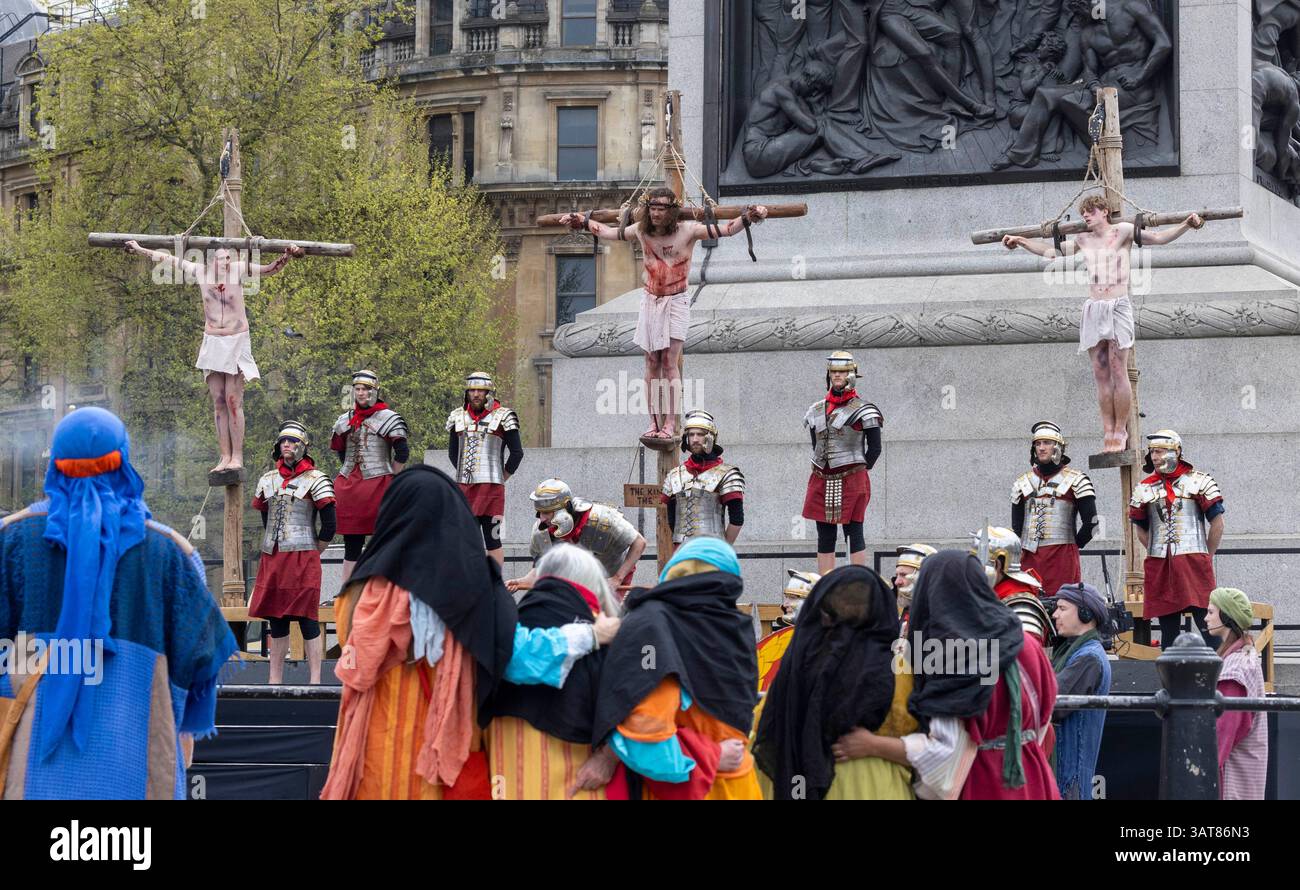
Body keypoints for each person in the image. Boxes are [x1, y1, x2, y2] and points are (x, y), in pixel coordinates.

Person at [0, 408, 237, 799]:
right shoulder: (171, 552)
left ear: (55, 464)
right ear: (125, 462)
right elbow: (201, 661)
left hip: (30, 777)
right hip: (137, 771)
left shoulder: (11, 541)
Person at [833, 550, 1060, 800]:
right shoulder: (1025, 642)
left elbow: (943, 753)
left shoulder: (953, 654)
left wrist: (872, 745)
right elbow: (1044, 721)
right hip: (1034, 778)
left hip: (983, 782)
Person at [557, 190, 768, 439]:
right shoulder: (641, 230)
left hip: (677, 300)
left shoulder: (688, 230)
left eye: (662, 209)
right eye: (653, 208)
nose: (656, 214)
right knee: (651, 362)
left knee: (669, 362)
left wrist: (750, 216)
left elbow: (726, 230)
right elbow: (608, 233)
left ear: (672, 211)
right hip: (650, 300)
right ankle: (653, 422)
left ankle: (670, 422)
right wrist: (582, 221)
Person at [1002, 196, 1203, 452]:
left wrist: (1187, 225)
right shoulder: (1083, 240)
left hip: (1117, 304)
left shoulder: (1123, 232)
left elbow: (1160, 238)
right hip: (1094, 307)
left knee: (1119, 370)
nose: (1086, 216)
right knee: (1100, 373)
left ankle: (1120, 430)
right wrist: (1021, 242)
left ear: (1104, 211)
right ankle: (1107, 430)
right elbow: (1050, 252)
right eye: (1083, 212)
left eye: (1091, 211)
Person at [591, 538, 761, 799]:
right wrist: (713, 756)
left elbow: (646, 738)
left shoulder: (652, 622)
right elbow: (647, 735)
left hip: (686, 786)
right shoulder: (735, 626)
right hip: (732, 784)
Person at [124, 239, 304, 472]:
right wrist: (139, 249)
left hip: (237, 339)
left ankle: (237, 456)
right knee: (219, 402)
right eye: (222, 258)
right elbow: (167, 259)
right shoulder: (199, 271)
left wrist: (286, 257)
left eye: (229, 257)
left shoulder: (238, 269)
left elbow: (269, 270)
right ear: (211, 261)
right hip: (213, 341)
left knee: (233, 400)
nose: (227, 262)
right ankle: (224, 456)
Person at [754, 566, 915, 800]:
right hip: (873, 786)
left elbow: (763, 727)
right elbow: (923, 742)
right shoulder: (897, 670)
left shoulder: (796, 666)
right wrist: (875, 744)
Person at [483, 544, 624, 800]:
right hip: (580, 781)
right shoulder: (607, 632)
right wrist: (609, 757)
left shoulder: (507, 626)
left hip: (504, 773)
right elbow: (633, 709)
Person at [249, 421, 335, 685]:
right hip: (274, 557)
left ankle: (315, 681)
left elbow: (330, 523)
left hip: (303, 557)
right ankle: (274, 681)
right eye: (283, 441)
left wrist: (314, 550)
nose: (286, 445)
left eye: (292, 441)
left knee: (307, 618)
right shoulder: (267, 479)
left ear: (302, 446)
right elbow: (266, 517)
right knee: (277, 619)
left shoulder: (316, 479)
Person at [1128, 430, 1224, 649]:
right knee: (1168, 632)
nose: (1154, 456)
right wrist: (1157, 547)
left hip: (1193, 561)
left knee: (1208, 624)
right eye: (1152, 452)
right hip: (1160, 564)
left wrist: (1206, 556)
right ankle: (1171, 679)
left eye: (1160, 451)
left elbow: (1217, 523)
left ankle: (1221, 676)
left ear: (1176, 451)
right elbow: (1141, 529)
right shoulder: (1144, 488)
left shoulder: (1199, 481)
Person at [802, 351, 883, 574]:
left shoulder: (865, 410)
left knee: (853, 530)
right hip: (821, 477)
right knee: (825, 534)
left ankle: (858, 581)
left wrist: (857, 470)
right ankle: (825, 582)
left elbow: (875, 449)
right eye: (834, 372)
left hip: (852, 478)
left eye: (842, 372)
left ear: (852, 374)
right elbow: (816, 445)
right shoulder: (816, 409)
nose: (837, 376)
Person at [331, 370, 409, 589]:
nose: (361, 393)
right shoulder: (344, 419)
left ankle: (382, 588)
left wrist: (391, 476)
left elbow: (402, 452)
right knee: (351, 543)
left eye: (365, 389)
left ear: (375, 391)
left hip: (378, 486)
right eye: (357, 389)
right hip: (348, 487)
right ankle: (348, 590)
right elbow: (341, 451)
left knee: (382, 539)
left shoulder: (388, 417)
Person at [509, 479, 645, 596]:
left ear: (565, 508)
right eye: (539, 512)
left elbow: (639, 542)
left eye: (547, 512)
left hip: (610, 581)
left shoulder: (602, 519)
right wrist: (522, 581)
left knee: (602, 622)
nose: (542, 518)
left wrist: (617, 579)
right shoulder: (542, 532)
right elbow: (540, 569)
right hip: (575, 585)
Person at [446, 371, 524, 568]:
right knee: (467, 539)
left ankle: (495, 583)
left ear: (489, 392)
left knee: (493, 540)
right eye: (472, 390)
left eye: (480, 390)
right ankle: (471, 582)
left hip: (492, 491)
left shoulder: (504, 416)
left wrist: (501, 476)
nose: (476, 394)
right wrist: (466, 474)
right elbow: (453, 453)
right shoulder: (457, 416)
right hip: (464, 489)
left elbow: (517, 453)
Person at [1011, 421, 1097, 596]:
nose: (1042, 448)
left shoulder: (1076, 479)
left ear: (1058, 447)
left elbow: (1092, 524)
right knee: (1031, 604)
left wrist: (1073, 546)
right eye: (1038, 443)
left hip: (1062, 558)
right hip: (1029, 558)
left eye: (1047, 443)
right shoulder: (1022, 482)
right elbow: (1017, 527)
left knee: (1063, 603)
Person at [1050, 582, 1112, 800]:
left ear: (1086, 614)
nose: (1055, 614)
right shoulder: (1077, 653)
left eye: (1063, 608)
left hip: (1068, 778)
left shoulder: (1088, 658)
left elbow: (1051, 704)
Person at [1207, 586, 1267, 800]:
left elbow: (1223, 732)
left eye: (1211, 612)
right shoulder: (1243, 657)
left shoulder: (1235, 669)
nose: (1205, 618)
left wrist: (1201, 776)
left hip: (1231, 783)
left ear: (1227, 616)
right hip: (1241, 779)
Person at [662, 410, 745, 548]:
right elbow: (672, 518)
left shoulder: (727, 474)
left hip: (712, 550)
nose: (695, 439)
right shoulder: (675, 476)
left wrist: (723, 550)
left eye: (700, 434)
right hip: (681, 551)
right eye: (691, 434)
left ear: (711, 437)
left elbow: (737, 519)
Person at [893, 543, 936, 637]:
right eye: (897, 575)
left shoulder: (938, 617)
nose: (897, 582)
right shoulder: (896, 611)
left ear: (923, 577)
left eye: (903, 575)